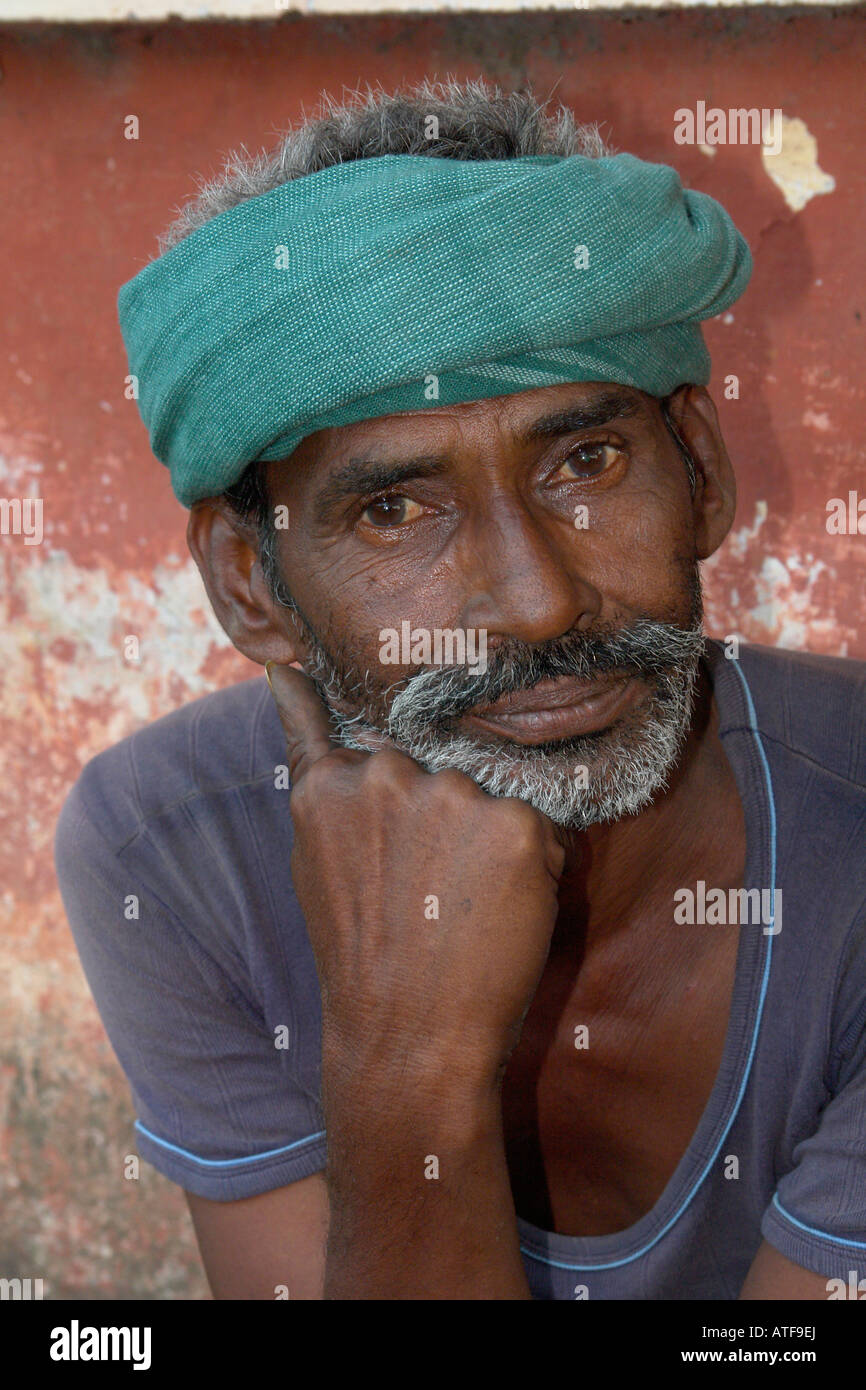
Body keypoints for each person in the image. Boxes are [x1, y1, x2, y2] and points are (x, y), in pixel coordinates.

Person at [55, 78, 866, 1300]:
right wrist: (408, 1069)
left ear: (698, 469)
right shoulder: (171, 846)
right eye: (395, 509)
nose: (537, 602)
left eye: (585, 460)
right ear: (248, 585)